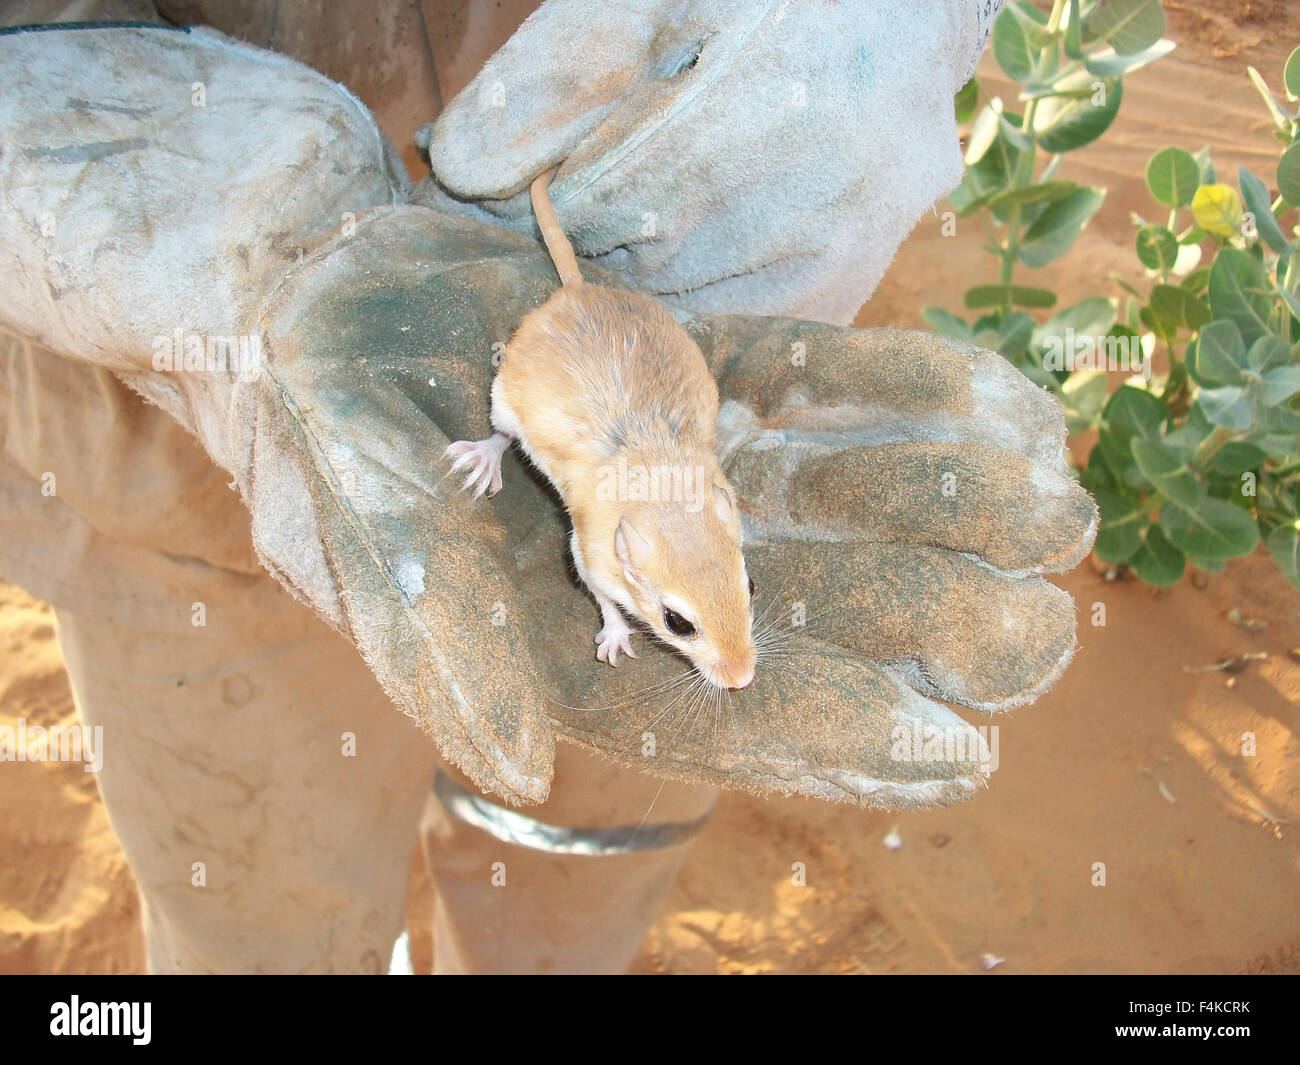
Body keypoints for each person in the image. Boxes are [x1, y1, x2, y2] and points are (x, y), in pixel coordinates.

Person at [0, 0, 1092, 975]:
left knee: (584, 857)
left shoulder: (694, 535)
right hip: (171, 487)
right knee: (259, 912)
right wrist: (209, 232)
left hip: (665, 268)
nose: (728, 666)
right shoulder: (608, 546)